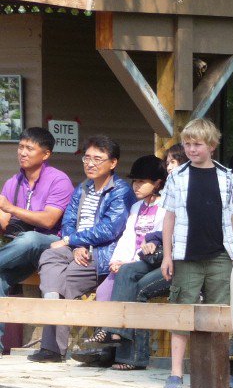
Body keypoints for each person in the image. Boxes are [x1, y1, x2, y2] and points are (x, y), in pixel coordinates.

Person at [30, 135, 134, 363]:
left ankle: (53, 349)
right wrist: (74, 243)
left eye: (98, 158)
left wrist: (73, 241)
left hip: (101, 252)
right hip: (76, 247)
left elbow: (110, 229)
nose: (90, 163)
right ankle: (51, 300)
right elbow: (68, 219)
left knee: (63, 281)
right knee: (49, 256)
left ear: (113, 163)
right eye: (87, 158)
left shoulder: (121, 191)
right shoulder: (83, 187)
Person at [160, 117, 233, 388]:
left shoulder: (226, 176)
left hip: (220, 254)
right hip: (186, 254)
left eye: (197, 144)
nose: (191, 149)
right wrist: (167, 255)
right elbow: (169, 218)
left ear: (211, 145)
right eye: (187, 144)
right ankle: (176, 372)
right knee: (181, 310)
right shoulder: (177, 176)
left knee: (220, 315)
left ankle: (217, 371)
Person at [71, 155, 169, 369]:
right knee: (105, 290)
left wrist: (128, 262)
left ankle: (113, 335)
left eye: (142, 182)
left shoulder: (165, 207)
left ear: (157, 183)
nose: (136, 186)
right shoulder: (136, 207)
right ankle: (105, 348)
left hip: (151, 261)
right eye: (135, 181)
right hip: (130, 261)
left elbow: (152, 242)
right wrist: (118, 260)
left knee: (128, 283)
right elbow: (127, 237)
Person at [0, 127, 74, 353]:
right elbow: (4, 225)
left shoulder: (58, 180)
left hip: (51, 246)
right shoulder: (13, 182)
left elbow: (49, 221)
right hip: (19, 248)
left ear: (46, 154)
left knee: (30, 238)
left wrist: (12, 209)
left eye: (29, 148)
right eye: (20, 147)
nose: (22, 152)